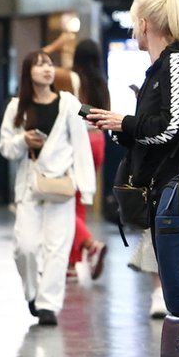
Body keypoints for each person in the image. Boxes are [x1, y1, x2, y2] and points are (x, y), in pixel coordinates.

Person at [85, 0, 179, 357]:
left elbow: (173, 128)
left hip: (174, 189)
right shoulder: (168, 64)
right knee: (174, 288)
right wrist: (123, 127)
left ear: (144, 23)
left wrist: (128, 123)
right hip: (167, 189)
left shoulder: (174, 62)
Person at [0, 51, 96, 326]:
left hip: (61, 185)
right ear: (27, 72)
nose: (46, 69)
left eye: (49, 64)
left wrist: (86, 188)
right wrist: (23, 140)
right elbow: (5, 147)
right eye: (39, 64)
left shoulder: (68, 103)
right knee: (25, 247)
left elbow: (81, 145)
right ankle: (32, 293)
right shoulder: (16, 107)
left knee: (57, 248)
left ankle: (48, 306)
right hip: (29, 185)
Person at [67, 40, 109, 280]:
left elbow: (75, 110)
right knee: (79, 201)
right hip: (99, 141)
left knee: (65, 202)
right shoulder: (101, 82)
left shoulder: (74, 79)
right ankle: (72, 264)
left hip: (80, 142)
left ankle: (91, 245)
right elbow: (103, 114)